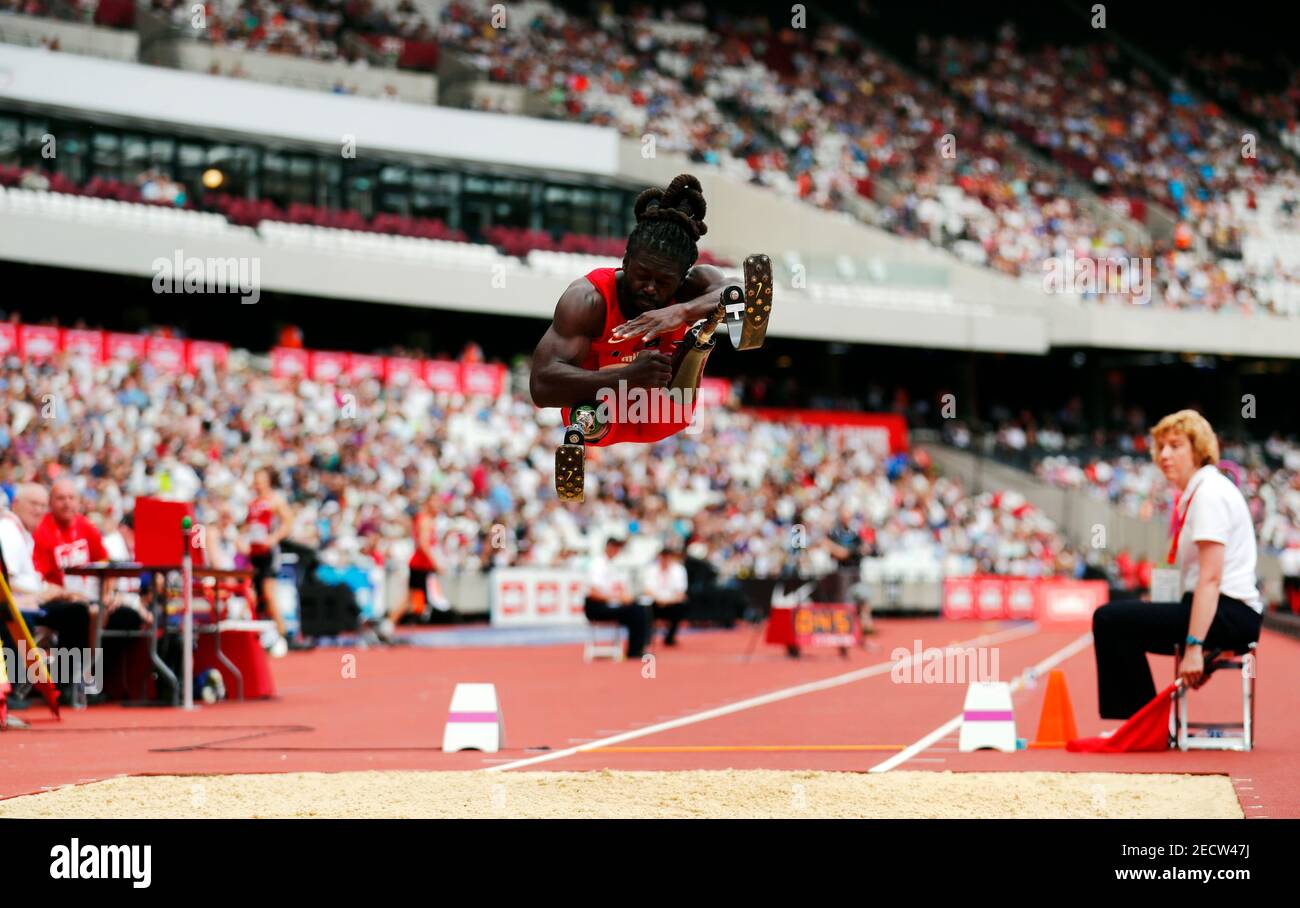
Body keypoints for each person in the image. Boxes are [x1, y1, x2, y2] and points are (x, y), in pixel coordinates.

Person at [529, 173, 774, 501]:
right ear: (626, 261)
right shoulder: (587, 300)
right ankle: (581, 432)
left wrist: (682, 312)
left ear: (682, 277)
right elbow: (541, 387)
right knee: (586, 417)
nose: (650, 288)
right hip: (604, 411)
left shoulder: (692, 285)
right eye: (642, 274)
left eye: (663, 282)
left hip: (666, 410)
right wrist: (626, 377)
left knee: (711, 320)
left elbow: (745, 288)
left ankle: (705, 334)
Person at [1090, 410, 1264, 720]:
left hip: (1229, 613)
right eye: (1161, 447)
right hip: (1218, 610)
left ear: (1198, 449)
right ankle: (1143, 722)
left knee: (1109, 619)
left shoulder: (1209, 493)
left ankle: (1142, 725)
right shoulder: (1197, 493)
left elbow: (1210, 578)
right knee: (1123, 620)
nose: (1165, 455)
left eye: (1175, 445)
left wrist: (1195, 646)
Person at [245, 468, 294, 656]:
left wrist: (274, 538)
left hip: (269, 554)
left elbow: (288, 521)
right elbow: (249, 527)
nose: (257, 484)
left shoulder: (275, 500)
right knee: (254, 596)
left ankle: (284, 634)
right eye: (256, 480)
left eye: (261, 480)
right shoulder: (252, 503)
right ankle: (261, 636)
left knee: (268, 593)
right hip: (254, 554)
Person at [583, 535, 649, 659]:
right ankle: (635, 650)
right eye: (615, 547)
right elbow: (593, 592)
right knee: (637, 611)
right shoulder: (598, 564)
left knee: (638, 608)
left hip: (609, 604)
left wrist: (625, 598)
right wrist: (617, 598)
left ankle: (637, 647)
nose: (617, 550)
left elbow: (617, 589)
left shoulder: (611, 565)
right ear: (608, 547)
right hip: (596, 607)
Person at [643, 545, 689, 647]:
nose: (665, 559)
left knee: (681, 606)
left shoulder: (679, 570)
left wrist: (667, 601)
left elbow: (680, 593)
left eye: (667, 556)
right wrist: (659, 600)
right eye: (663, 556)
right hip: (655, 602)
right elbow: (647, 590)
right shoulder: (651, 569)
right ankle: (646, 637)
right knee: (644, 608)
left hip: (672, 603)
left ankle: (670, 637)